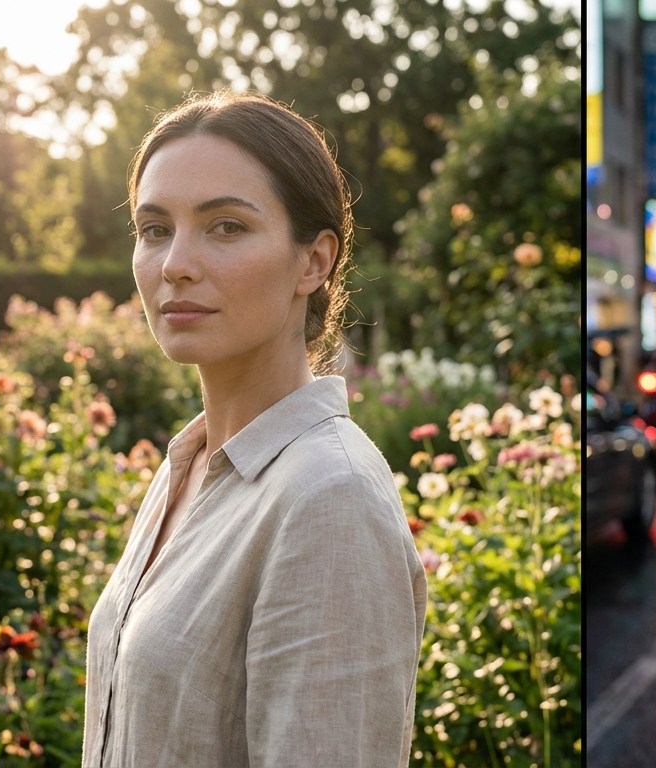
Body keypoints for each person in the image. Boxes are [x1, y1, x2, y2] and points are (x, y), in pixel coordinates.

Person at [82, 91, 427, 767]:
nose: (175, 263)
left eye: (226, 227)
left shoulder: (329, 499)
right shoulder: (189, 464)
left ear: (313, 262)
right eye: (155, 229)